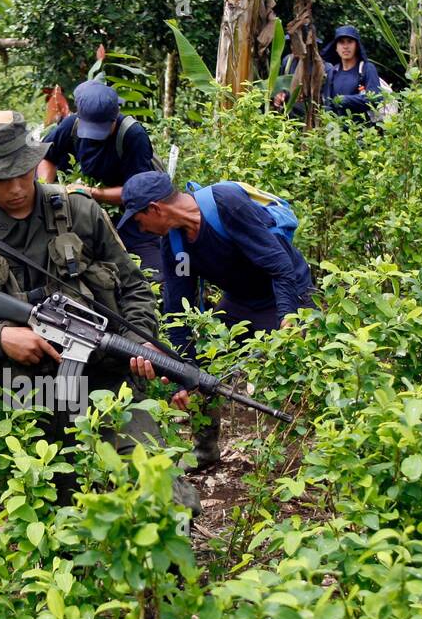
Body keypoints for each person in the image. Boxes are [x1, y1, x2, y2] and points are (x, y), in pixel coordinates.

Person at [0, 111, 200, 512]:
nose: (17, 188)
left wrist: (137, 339)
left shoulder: (80, 211)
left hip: (106, 377)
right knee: (56, 511)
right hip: (24, 395)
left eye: (23, 172)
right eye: (2, 178)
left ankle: (173, 568)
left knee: (161, 489)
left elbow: (135, 286)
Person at [119, 170, 315, 468]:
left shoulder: (226, 202)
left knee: (296, 369)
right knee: (203, 369)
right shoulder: (173, 245)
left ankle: (304, 453)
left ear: (155, 209)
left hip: (288, 291)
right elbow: (178, 313)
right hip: (240, 300)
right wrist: (182, 375)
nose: (140, 228)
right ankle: (205, 449)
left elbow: (280, 266)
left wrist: (289, 317)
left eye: (138, 219)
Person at [38, 81, 164, 278]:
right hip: (83, 218)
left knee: (150, 276)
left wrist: (94, 193)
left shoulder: (133, 136)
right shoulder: (71, 125)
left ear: (114, 117)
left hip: (130, 217)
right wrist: (47, 189)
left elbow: (139, 191)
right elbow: (47, 156)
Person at [321, 25, 381, 119]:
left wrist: (345, 100)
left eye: (350, 42)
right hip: (338, 130)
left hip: (365, 131)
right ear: (336, 48)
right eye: (341, 42)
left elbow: (376, 98)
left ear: (356, 46)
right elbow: (328, 105)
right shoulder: (333, 72)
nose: (345, 47)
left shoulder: (367, 68)